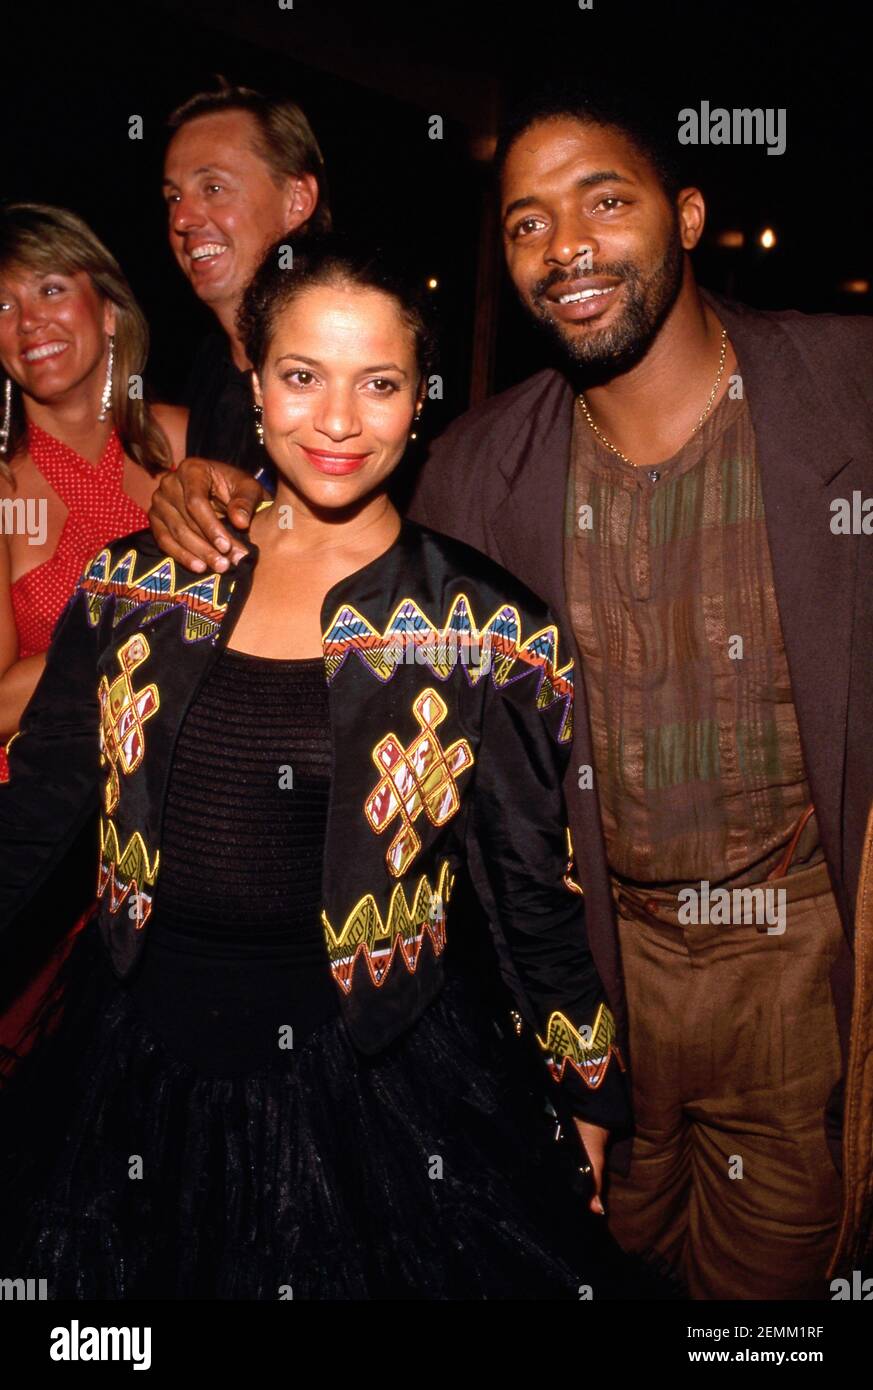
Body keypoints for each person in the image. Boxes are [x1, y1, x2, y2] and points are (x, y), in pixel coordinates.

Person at [146, 83, 873, 1300]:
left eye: (605, 201)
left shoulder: (846, 388)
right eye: (528, 222)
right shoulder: (482, 468)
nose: (566, 245)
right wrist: (196, 497)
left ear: (688, 214)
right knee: (598, 1260)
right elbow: (339, 532)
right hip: (589, 970)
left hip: (792, 968)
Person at [0, 232, 682, 1302]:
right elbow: (39, 812)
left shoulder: (487, 627)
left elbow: (525, 886)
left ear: (421, 401)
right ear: (256, 385)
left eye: (379, 382)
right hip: (134, 1050)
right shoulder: (134, 583)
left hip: (370, 1076)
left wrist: (588, 1089)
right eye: (303, 376)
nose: (336, 419)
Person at [0, 202, 186, 1072]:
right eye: (0, 306)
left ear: (107, 308)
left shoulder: (187, 446)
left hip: (180, 831)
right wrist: (130, 636)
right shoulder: (6, 490)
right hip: (44, 843)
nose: (26, 323)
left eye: (47, 288)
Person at [163, 78, 330, 491]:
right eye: (173, 197)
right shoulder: (209, 369)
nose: (182, 219)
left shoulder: (337, 363)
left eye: (214, 188)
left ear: (296, 200)